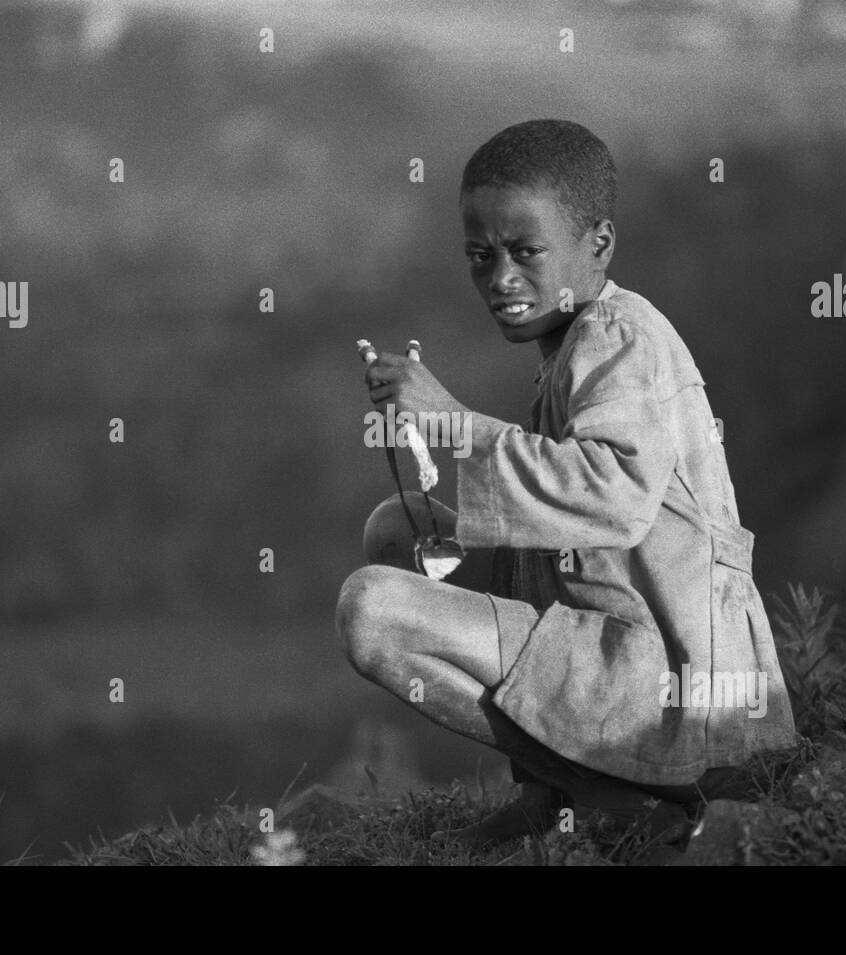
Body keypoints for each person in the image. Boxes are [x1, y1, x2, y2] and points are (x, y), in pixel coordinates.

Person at [336, 119, 797, 849]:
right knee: (399, 527)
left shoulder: (621, 338)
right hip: (610, 642)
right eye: (481, 257)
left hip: (677, 690)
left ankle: (612, 794)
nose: (501, 279)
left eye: (525, 252)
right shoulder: (572, 341)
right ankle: (556, 786)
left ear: (599, 245)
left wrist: (455, 423)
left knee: (369, 609)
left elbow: (613, 495)